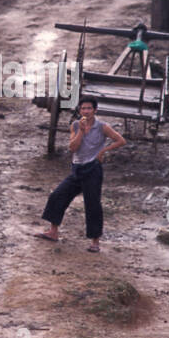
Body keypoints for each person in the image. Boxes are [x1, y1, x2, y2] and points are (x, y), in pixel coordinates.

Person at [38, 93, 126, 252]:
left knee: (92, 204)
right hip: (77, 168)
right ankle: (53, 232)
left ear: (95, 110)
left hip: (93, 169)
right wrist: (81, 132)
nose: (86, 111)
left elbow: (120, 140)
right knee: (58, 195)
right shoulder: (76, 125)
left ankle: (95, 242)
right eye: (83, 108)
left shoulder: (102, 127)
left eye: (89, 109)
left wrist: (103, 151)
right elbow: (73, 148)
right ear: (79, 110)